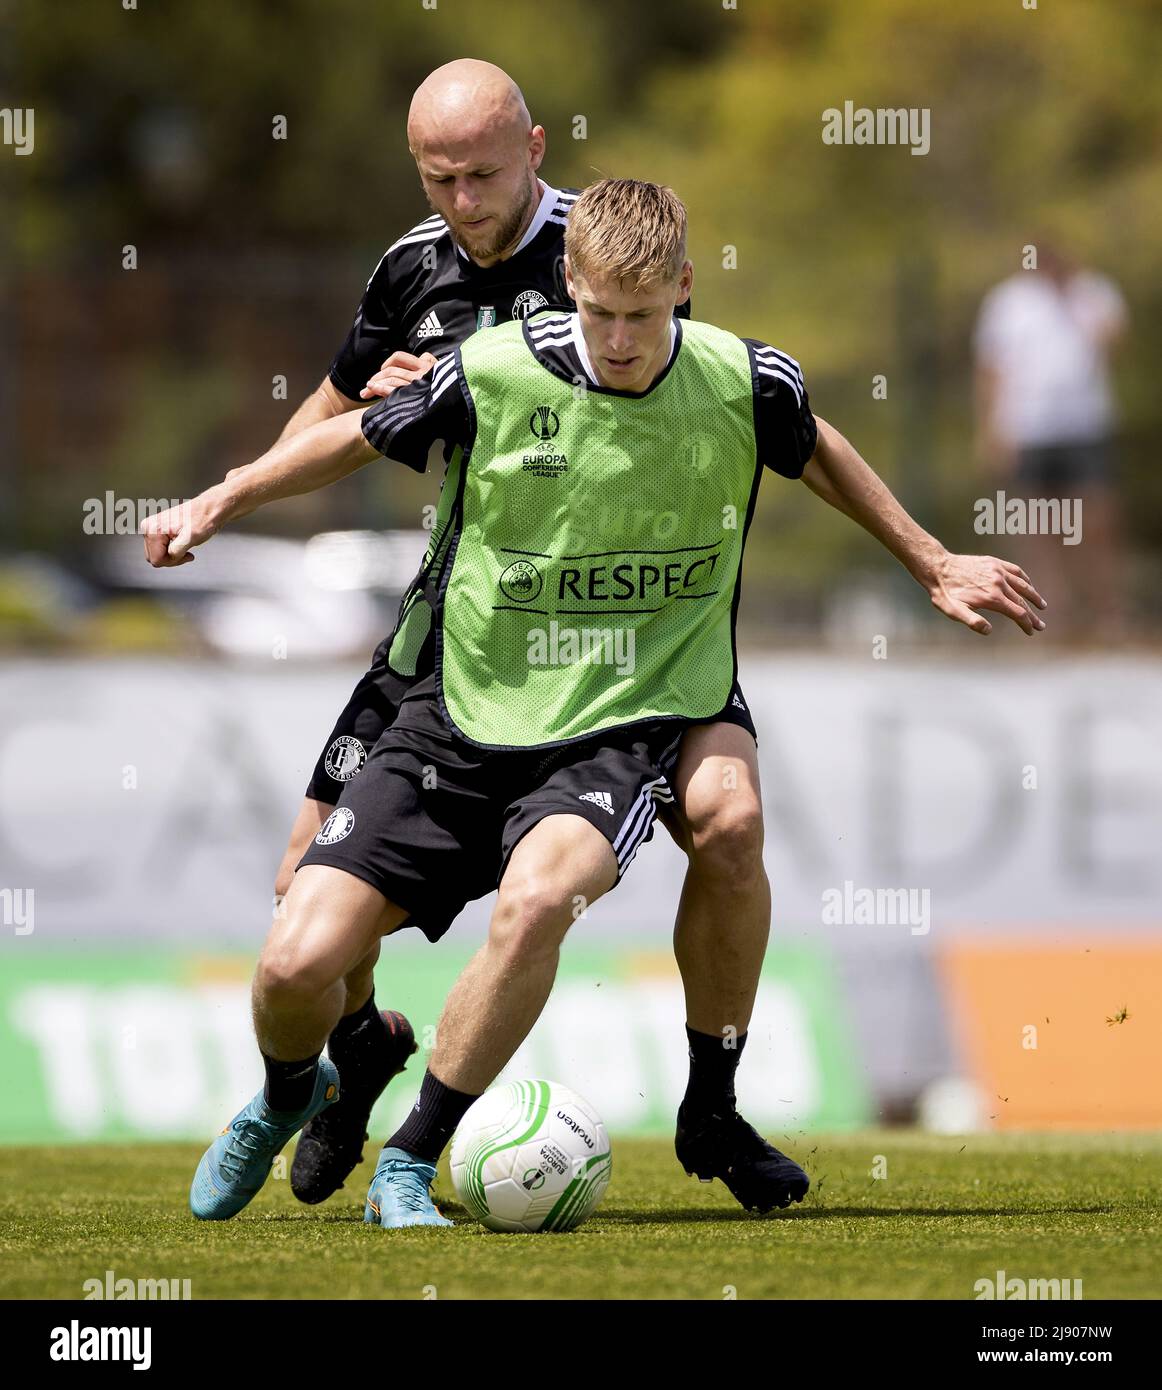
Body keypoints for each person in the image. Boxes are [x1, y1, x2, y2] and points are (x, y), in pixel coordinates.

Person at [144, 178, 1047, 1227]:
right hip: (460, 705)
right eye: (599, 313)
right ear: (566, 285)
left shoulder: (740, 381)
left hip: (621, 721)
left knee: (600, 875)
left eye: (645, 314)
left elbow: (817, 449)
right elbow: (348, 435)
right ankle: (295, 1090)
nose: (620, 340)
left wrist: (931, 562)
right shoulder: (485, 371)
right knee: (296, 957)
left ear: (684, 288)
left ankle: (426, 1157)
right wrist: (219, 496)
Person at [227, 56, 781, 1212]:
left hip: (615, 641)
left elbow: (695, 394)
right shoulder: (411, 268)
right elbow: (330, 415)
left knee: (725, 820)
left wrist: (925, 559)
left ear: (535, 148)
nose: (463, 200)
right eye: (440, 178)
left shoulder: (603, 257)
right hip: (446, 631)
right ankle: (360, 1054)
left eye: (483, 172)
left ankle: (710, 1103)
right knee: (301, 899)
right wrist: (245, 484)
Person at [974, 241, 1128, 636]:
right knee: (1034, 523)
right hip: (1027, 426)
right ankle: (1048, 616)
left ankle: (1105, 613)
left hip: (1084, 425)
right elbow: (991, 369)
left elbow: (1111, 340)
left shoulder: (1093, 293)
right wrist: (991, 428)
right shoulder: (1008, 302)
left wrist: (1072, 302)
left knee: (1094, 519)